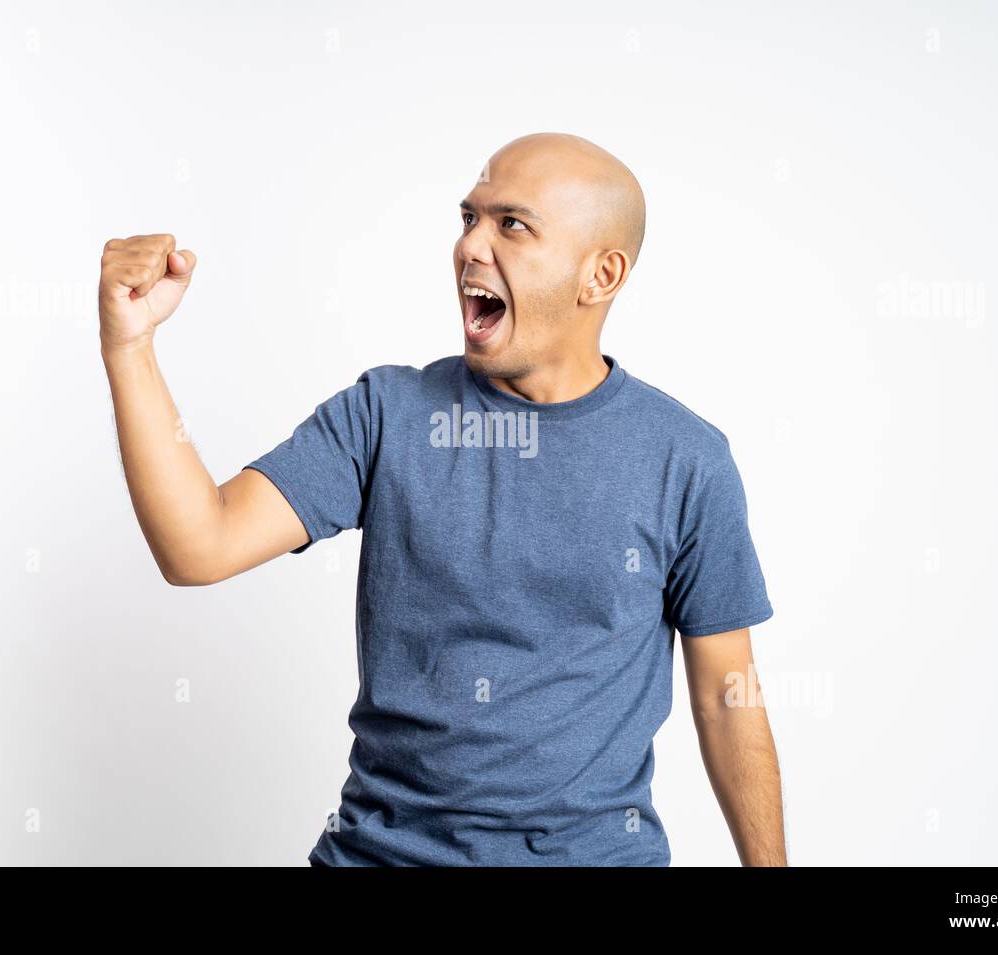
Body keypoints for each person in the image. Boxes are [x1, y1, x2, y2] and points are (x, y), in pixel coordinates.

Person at [97, 132, 785, 866]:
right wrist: (128, 345)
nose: (470, 247)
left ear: (600, 274)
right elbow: (198, 545)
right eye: (468, 218)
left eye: (511, 225)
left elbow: (726, 696)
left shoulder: (686, 458)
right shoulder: (388, 413)